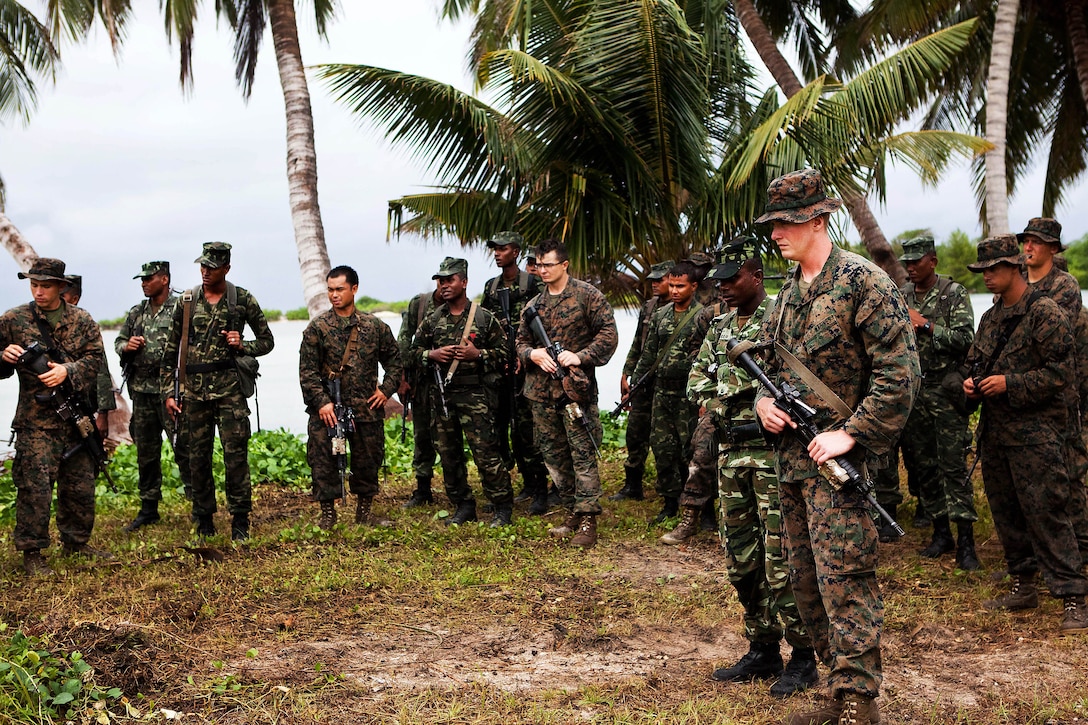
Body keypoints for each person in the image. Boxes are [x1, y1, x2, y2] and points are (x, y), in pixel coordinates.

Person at [753, 169, 919, 725]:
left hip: (841, 467)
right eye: (772, 223)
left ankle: (857, 700)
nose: (775, 233)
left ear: (818, 219)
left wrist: (853, 432)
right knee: (804, 580)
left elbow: (900, 373)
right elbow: (769, 365)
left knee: (845, 578)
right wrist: (762, 404)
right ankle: (834, 681)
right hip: (794, 465)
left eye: (785, 222)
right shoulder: (788, 295)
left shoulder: (862, 283)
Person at [687, 241, 816, 698]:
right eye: (718, 279)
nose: (721, 286)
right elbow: (696, 382)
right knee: (741, 559)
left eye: (731, 277)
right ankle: (762, 647)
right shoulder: (719, 326)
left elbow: (796, 381)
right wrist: (739, 399)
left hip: (772, 454)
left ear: (756, 275)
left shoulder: (781, 320)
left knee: (782, 559)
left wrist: (739, 399)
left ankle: (803, 656)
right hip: (730, 455)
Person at [963, 235, 1087, 633]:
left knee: (1048, 512)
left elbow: (1062, 374)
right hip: (997, 434)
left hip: (1038, 436)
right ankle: (1023, 583)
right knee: (1006, 511)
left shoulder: (1045, 312)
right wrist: (971, 383)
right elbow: (976, 363)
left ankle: (1073, 597)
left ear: (1014, 267)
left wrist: (1011, 384)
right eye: (981, 271)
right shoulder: (991, 317)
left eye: (993, 269)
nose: (986, 277)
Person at [0, 258, 109, 574]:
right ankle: (32, 552)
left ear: (62, 287)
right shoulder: (13, 319)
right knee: (34, 487)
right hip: (35, 421)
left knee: (80, 484)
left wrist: (67, 371)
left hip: (75, 418)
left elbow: (96, 361)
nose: (38, 291)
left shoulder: (82, 320)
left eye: (45, 285)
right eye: (33, 284)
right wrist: (4, 358)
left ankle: (77, 543)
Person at [162, 242, 275, 540]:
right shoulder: (186, 301)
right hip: (194, 394)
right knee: (196, 458)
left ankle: (240, 521)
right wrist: (169, 393)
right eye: (202, 266)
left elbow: (267, 341)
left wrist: (242, 344)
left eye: (212, 267)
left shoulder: (242, 300)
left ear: (226, 268)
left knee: (235, 457)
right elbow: (170, 350)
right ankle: (204, 521)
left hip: (230, 391)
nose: (205, 271)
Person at [517, 238, 618, 549]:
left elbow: (609, 334)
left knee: (583, 456)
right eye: (538, 265)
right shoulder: (533, 305)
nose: (542, 270)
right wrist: (531, 354)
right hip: (540, 394)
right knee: (554, 457)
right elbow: (519, 342)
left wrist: (581, 356)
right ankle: (573, 509)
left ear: (564, 264)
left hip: (575, 391)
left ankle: (588, 520)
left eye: (548, 264)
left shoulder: (588, 296)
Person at [893, 236, 978, 568]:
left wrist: (927, 326)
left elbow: (964, 339)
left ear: (933, 261)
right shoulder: (902, 296)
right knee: (924, 465)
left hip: (945, 390)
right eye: (907, 263)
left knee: (953, 466)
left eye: (917, 261)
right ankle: (941, 532)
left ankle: (967, 541)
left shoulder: (953, 294)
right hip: (916, 393)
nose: (911, 268)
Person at [411, 257, 514, 527]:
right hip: (442, 396)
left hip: (476, 396)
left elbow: (506, 355)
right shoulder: (433, 320)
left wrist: (477, 354)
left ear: (464, 282)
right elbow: (410, 353)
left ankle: (502, 507)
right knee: (448, 454)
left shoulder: (482, 317)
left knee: (486, 452)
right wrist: (431, 354)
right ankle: (463, 505)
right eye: (441, 281)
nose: (444, 285)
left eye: (450, 280)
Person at [299, 266, 402, 529]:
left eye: (339, 289)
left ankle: (365, 512)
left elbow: (395, 361)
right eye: (330, 290)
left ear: (354, 289)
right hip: (328, 409)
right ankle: (328, 515)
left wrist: (385, 390)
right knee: (322, 460)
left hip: (365, 407)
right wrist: (321, 402)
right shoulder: (317, 328)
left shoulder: (374, 326)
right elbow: (307, 371)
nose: (334, 295)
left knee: (368, 459)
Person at [1018, 217, 1088, 561]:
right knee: (1035, 477)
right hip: (1026, 395)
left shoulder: (1064, 286)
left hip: (1060, 395)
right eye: (1026, 241)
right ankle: (1041, 552)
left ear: (1054, 248)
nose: (1028, 247)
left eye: (1036, 242)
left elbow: (1044, 336)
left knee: (1070, 471)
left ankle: (1082, 546)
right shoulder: (1016, 281)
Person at [631, 261, 708, 524]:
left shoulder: (703, 316)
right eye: (671, 285)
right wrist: (636, 382)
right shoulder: (661, 315)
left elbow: (709, 359)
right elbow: (649, 353)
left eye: (680, 286)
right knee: (663, 449)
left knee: (693, 452)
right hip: (661, 393)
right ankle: (669, 502)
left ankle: (701, 507)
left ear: (694, 286)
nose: (674, 290)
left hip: (689, 395)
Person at [116, 261, 191, 531]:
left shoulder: (182, 307)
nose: (144, 283)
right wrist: (128, 346)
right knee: (146, 453)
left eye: (149, 278)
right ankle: (149, 508)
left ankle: (198, 505)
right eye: (142, 279)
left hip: (173, 391)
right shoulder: (137, 312)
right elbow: (118, 342)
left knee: (184, 447)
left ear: (165, 279)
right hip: (143, 393)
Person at [480, 231, 550, 514]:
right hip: (499, 368)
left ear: (516, 252)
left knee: (526, 432)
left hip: (526, 367)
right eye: (494, 249)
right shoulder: (491, 286)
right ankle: (507, 489)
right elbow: (484, 325)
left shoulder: (532, 284)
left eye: (503, 248)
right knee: (497, 429)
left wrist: (525, 356)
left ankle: (540, 490)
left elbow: (542, 325)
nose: (497, 253)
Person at [613, 260, 673, 502]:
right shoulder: (649, 307)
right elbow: (638, 343)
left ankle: (670, 489)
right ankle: (633, 484)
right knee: (635, 432)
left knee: (666, 438)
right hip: (643, 380)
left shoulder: (687, 307)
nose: (655, 284)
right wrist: (626, 373)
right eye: (653, 281)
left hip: (668, 383)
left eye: (660, 280)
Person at [62, 274, 117, 441]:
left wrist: (103, 414)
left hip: (83, 407)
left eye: (62, 296)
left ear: (75, 299)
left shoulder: (85, 326)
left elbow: (101, 371)